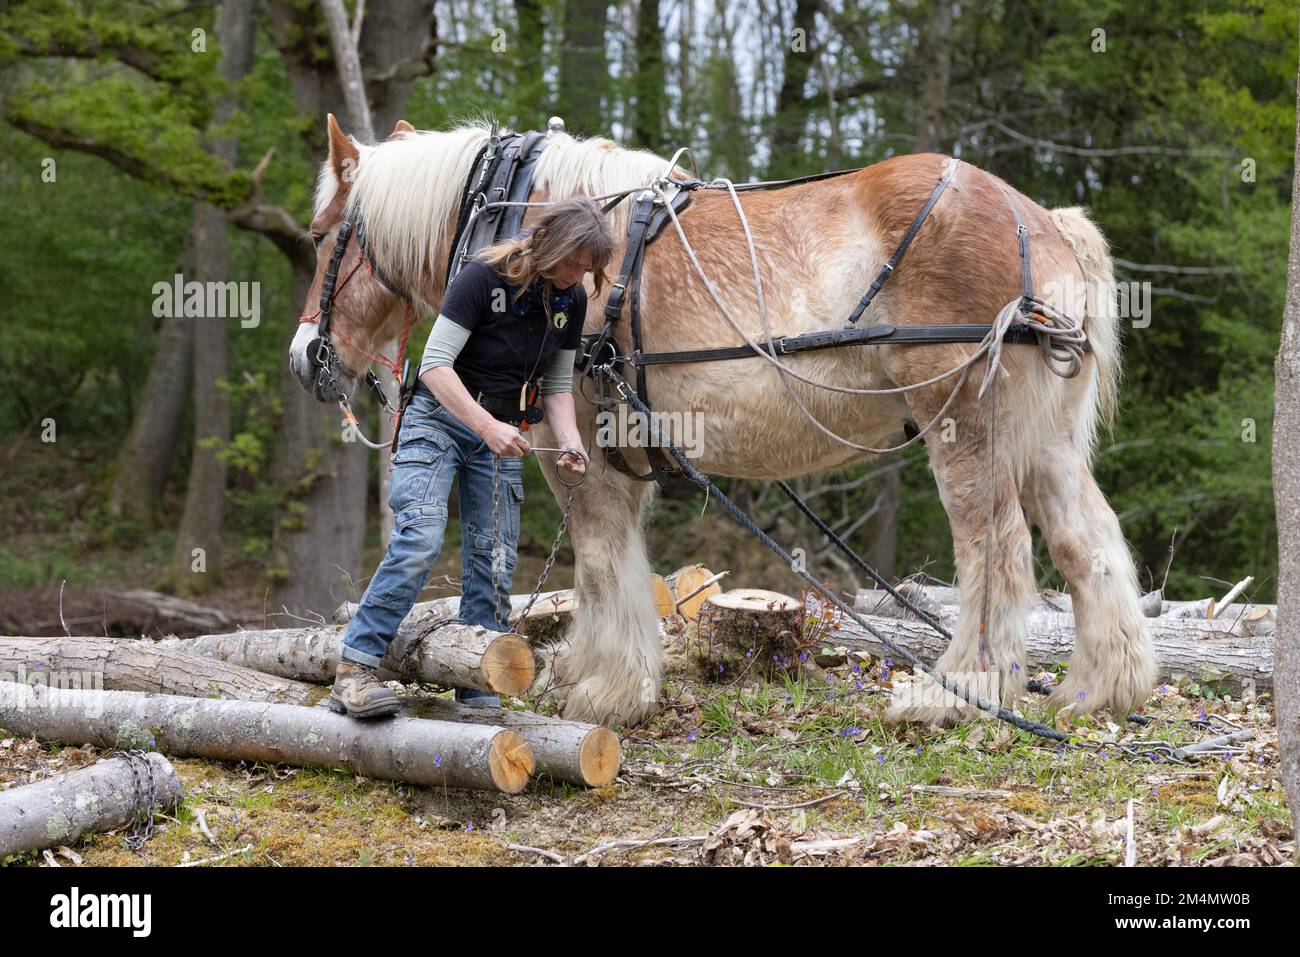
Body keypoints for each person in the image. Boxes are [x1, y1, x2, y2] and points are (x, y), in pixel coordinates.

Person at [329, 196, 617, 718]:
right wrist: (486, 426)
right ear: (548, 242)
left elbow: (555, 384)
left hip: (503, 432)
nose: (580, 274)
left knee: (494, 564)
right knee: (419, 538)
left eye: (589, 268)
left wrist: (571, 440)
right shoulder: (482, 278)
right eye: (575, 261)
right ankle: (354, 669)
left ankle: (477, 689)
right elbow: (437, 366)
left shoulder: (569, 300)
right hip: (438, 421)